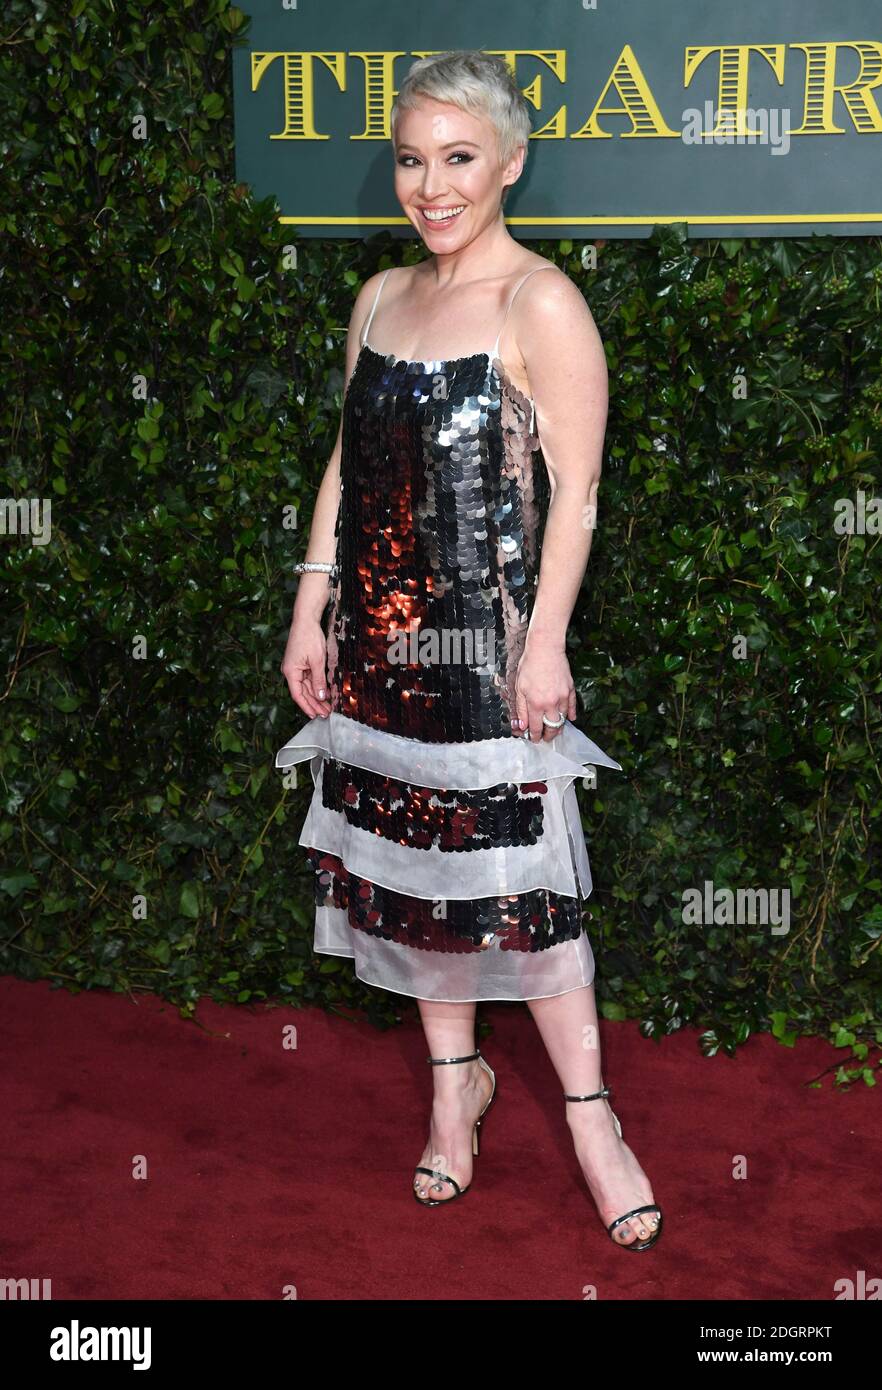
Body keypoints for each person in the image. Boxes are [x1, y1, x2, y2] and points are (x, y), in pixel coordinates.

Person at [276, 50, 662, 1250]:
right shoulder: (381, 297)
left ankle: (592, 1116)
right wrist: (311, 605)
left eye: (456, 159)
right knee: (411, 884)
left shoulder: (539, 300)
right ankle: (457, 1096)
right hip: (379, 654)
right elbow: (347, 465)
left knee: (526, 898)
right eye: (409, 158)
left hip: (490, 658)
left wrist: (545, 645)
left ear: (509, 162)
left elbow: (579, 494)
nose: (429, 186)